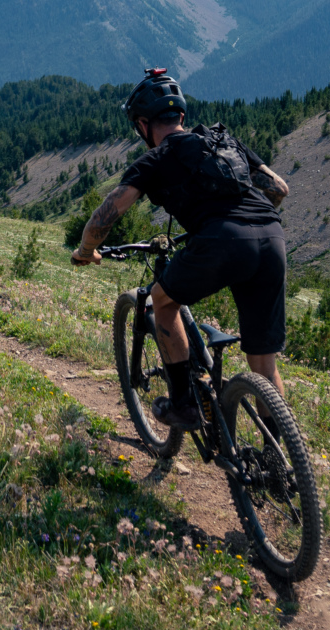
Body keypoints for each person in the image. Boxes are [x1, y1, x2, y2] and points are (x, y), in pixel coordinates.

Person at [70, 68, 290, 430]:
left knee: (161, 302)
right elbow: (279, 188)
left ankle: (185, 406)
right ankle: (275, 456)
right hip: (271, 237)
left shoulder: (156, 159)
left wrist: (86, 251)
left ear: (143, 125)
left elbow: (107, 212)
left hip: (221, 239)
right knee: (264, 364)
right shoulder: (223, 140)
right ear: (182, 116)